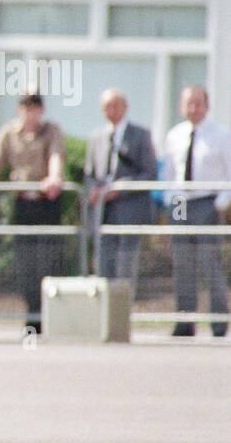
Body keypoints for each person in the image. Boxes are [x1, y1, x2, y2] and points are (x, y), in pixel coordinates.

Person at [0, 93, 65, 334]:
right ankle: (32, 316)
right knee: (26, 264)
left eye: (35, 106)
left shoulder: (51, 131)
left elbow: (56, 156)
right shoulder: (9, 133)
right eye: (26, 106)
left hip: (47, 203)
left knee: (47, 261)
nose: (30, 111)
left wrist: (54, 176)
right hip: (23, 204)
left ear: (42, 109)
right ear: (19, 109)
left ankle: (47, 317)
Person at [163, 85, 231, 337]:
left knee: (209, 261)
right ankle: (185, 320)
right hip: (181, 201)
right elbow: (170, 173)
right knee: (182, 263)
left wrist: (219, 203)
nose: (193, 108)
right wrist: (171, 199)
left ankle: (218, 322)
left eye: (198, 102)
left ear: (207, 105)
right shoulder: (175, 135)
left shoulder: (221, 135)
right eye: (188, 103)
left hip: (206, 200)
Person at [84, 88, 156, 286]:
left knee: (125, 269)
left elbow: (149, 174)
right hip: (103, 212)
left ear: (125, 107)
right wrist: (94, 192)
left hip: (129, 211)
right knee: (103, 268)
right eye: (107, 106)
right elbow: (90, 174)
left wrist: (118, 190)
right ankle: (104, 315)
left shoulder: (141, 135)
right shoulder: (96, 137)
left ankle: (122, 315)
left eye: (116, 105)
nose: (112, 110)